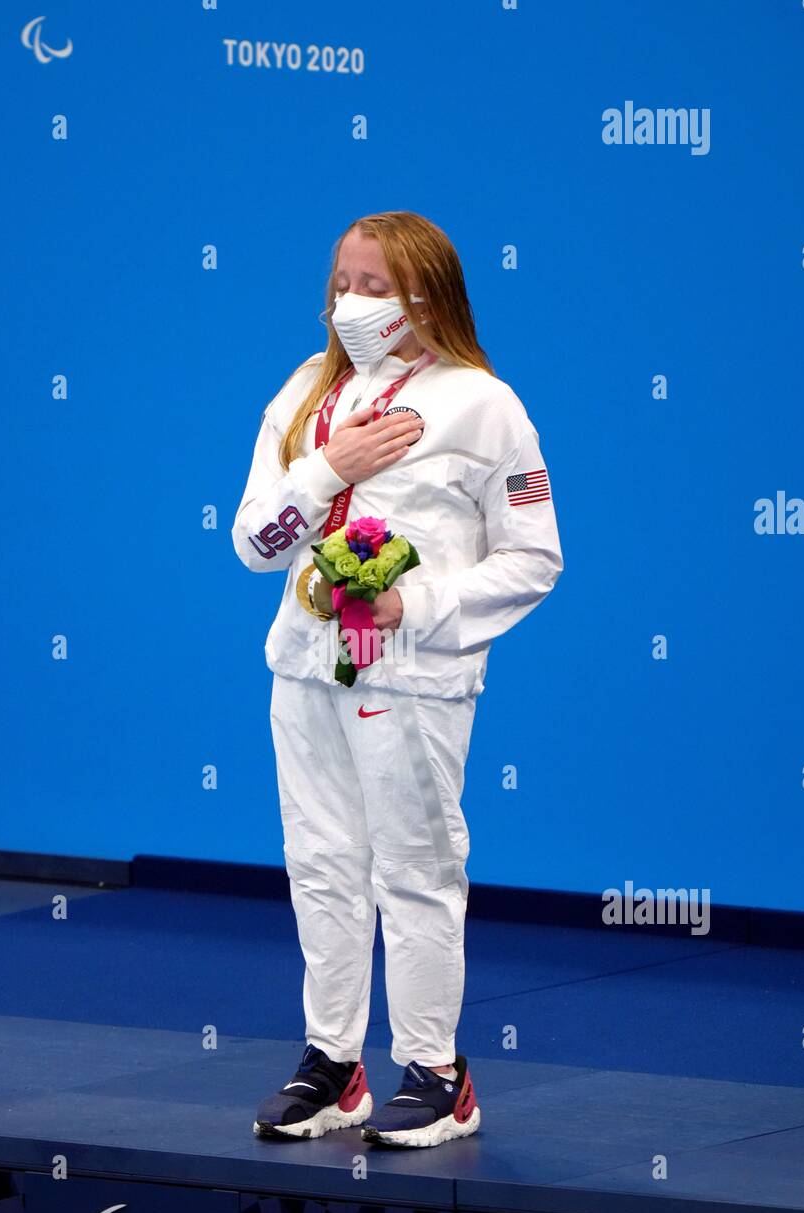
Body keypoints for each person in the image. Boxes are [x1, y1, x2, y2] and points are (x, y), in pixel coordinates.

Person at [232, 211, 563, 1149]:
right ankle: (335, 1064)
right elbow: (254, 545)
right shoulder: (306, 393)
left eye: (375, 286)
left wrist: (412, 609)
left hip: (412, 675)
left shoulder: (482, 404)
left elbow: (534, 560)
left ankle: (439, 1071)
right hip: (303, 664)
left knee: (417, 868)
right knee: (322, 864)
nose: (353, 302)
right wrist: (325, 470)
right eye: (344, 280)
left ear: (428, 294)